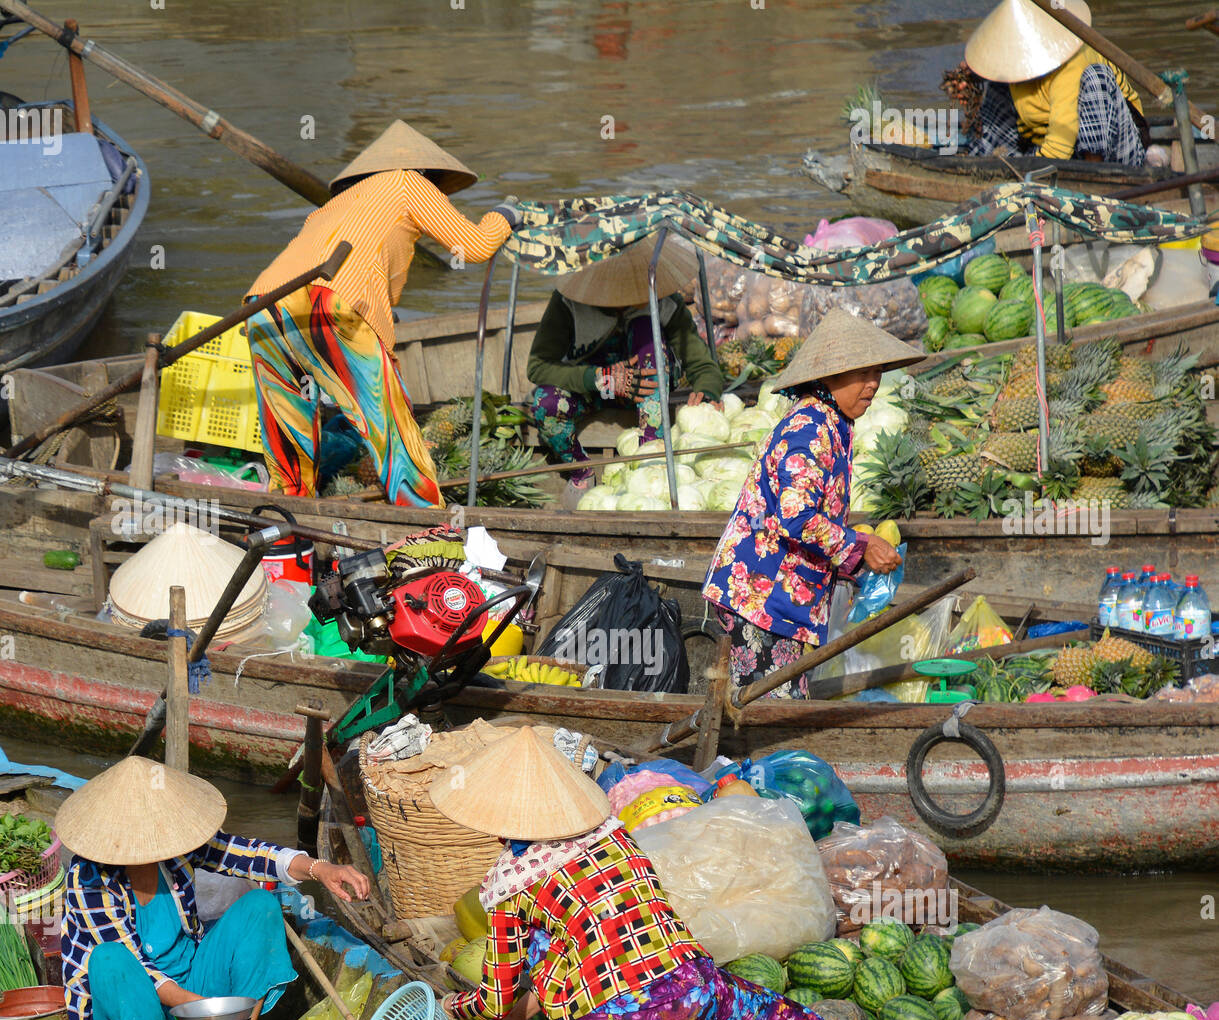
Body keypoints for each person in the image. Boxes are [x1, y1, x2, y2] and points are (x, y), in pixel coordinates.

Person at [431, 727, 837, 1020]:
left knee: (540, 934)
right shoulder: (616, 836)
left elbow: (493, 1003)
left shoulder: (511, 888)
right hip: (696, 996)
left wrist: (452, 1007)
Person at [245, 120, 522, 505]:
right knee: (392, 431)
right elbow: (474, 246)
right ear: (427, 173)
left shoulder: (338, 203)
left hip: (261, 306)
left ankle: (285, 525)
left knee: (287, 439)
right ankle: (424, 527)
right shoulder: (409, 182)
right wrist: (504, 216)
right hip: (327, 300)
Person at [56, 757, 369, 1020]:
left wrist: (321, 868)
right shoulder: (89, 878)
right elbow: (142, 972)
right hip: (136, 1015)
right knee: (109, 958)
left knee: (260, 904)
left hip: (195, 989)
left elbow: (247, 854)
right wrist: (206, 1014)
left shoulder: (174, 848)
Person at [701, 308, 921, 699]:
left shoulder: (835, 424)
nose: (872, 384)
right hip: (761, 595)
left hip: (780, 597)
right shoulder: (810, 427)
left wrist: (848, 563)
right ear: (831, 376)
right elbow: (797, 517)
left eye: (877, 373)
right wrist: (861, 545)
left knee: (779, 704)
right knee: (769, 712)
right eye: (862, 373)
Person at [526, 234, 725, 506]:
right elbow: (538, 367)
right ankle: (581, 470)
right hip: (596, 388)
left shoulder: (665, 301)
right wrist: (598, 379)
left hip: (651, 389)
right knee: (545, 404)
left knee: (646, 333)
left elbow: (701, 363)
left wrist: (707, 389)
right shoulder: (568, 303)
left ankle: (649, 460)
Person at [948, 0, 1147, 167]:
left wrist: (1030, 174)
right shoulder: (1014, 66)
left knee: (1096, 77)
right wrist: (975, 77)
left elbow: (1059, 147)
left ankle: (1093, 176)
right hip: (1047, 150)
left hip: (1114, 154)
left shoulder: (1072, 63)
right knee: (998, 85)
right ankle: (982, 163)